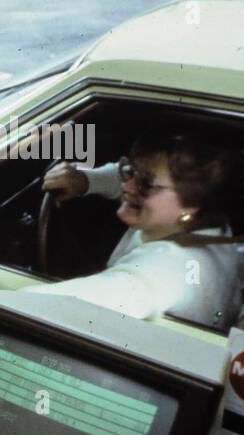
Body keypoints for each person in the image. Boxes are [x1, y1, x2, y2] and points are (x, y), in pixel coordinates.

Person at [30, 132, 241, 331]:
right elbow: (126, 176)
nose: (127, 186)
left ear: (192, 202)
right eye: (131, 172)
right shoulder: (215, 228)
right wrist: (86, 180)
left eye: (145, 184)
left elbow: (63, 303)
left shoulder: (165, 270)